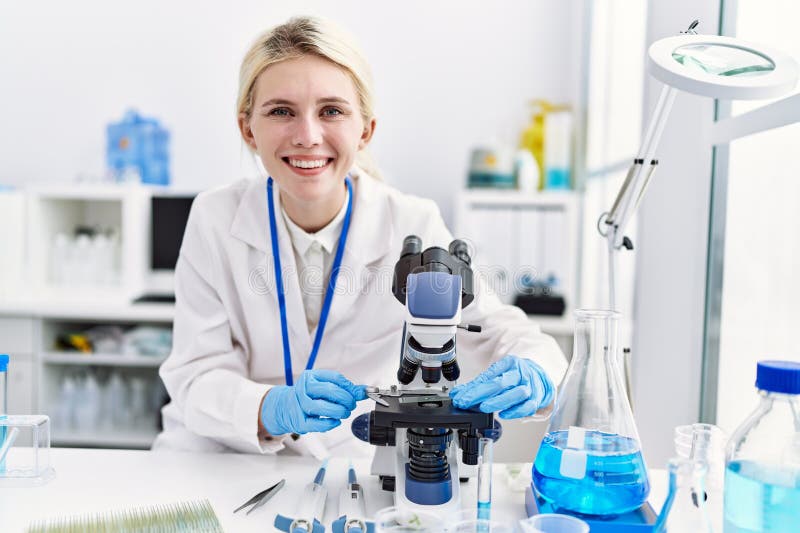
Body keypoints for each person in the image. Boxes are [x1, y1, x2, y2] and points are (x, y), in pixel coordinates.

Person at [153, 16, 567, 456]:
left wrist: (536, 371)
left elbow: (498, 330)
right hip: (222, 455)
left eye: (331, 111)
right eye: (281, 111)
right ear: (247, 129)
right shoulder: (215, 219)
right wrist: (269, 407)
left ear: (365, 130)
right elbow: (195, 374)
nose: (308, 136)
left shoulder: (413, 223)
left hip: (349, 461)